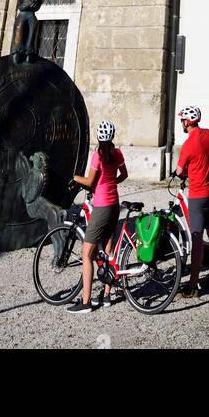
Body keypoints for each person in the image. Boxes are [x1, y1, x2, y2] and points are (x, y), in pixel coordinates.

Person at [67, 120, 127, 314]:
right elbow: (124, 174)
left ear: (98, 138)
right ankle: (107, 295)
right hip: (114, 204)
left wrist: (75, 177)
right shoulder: (117, 153)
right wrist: (110, 182)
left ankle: (86, 302)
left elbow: (90, 180)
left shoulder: (97, 155)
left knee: (87, 253)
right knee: (108, 250)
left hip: (101, 206)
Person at [175, 106, 209, 297]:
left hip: (197, 195)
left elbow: (179, 171)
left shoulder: (188, 144)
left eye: (182, 121)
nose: (182, 124)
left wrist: (185, 172)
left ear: (187, 122)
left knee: (196, 238)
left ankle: (192, 284)